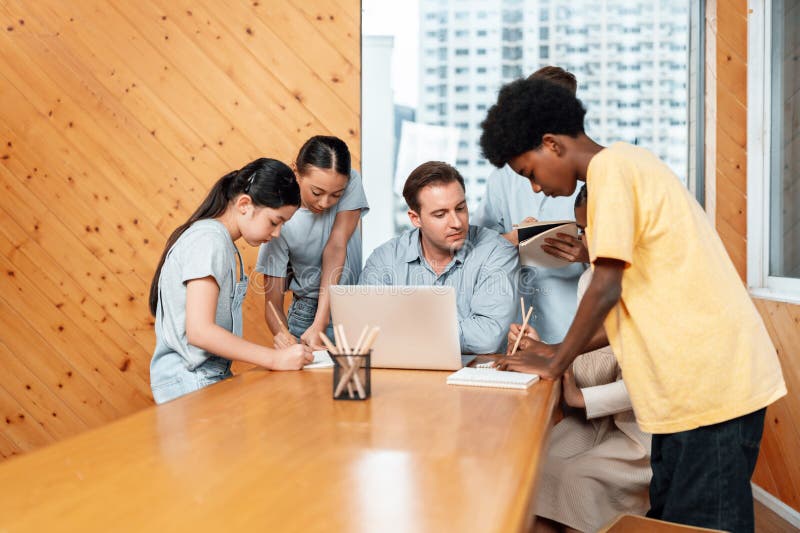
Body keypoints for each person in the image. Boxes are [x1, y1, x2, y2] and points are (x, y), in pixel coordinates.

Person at [480, 77, 786, 532]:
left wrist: (556, 360)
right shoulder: (620, 171)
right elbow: (635, 309)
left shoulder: (613, 170)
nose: (538, 189)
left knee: (705, 524)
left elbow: (605, 288)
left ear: (551, 144)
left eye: (530, 173)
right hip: (679, 393)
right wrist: (561, 349)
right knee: (669, 522)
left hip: (713, 387)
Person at [509, 186, 651, 533]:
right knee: (532, 469)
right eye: (581, 230)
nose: (584, 242)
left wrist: (577, 394)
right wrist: (548, 350)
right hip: (596, 421)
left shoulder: (650, 287)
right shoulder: (589, 278)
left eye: (590, 231)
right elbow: (593, 356)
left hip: (638, 433)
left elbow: (646, 382)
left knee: (576, 481)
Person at [148, 158, 314, 404]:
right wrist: (274, 359)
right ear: (244, 204)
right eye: (274, 221)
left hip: (206, 377)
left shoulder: (222, 243)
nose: (277, 233)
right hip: (190, 380)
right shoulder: (208, 241)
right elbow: (200, 332)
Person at [473, 66, 586, 345]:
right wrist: (510, 241)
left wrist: (584, 252)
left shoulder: (591, 177)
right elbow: (471, 246)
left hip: (573, 329)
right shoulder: (503, 177)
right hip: (515, 330)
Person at [360, 161, 518, 354]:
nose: (456, 223)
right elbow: (367, 331)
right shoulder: (384, 259)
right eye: (440, 214)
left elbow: (487, 337)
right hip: (402, 375)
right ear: (415, 218)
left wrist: (403, 330)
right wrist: (440, 333)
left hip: (475, 376)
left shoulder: (497, 251)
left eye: (460, 208)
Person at [257, 136, 369, 349]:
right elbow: (272, 302)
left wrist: (321, 321)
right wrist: (285, 337)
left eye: (336, 194)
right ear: (296, 173)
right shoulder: (278, 219)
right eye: (316, 192)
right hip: (306, 316)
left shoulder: (351, 180)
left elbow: (336, 246)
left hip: (353, 308)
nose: (325, 203)